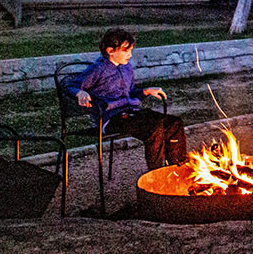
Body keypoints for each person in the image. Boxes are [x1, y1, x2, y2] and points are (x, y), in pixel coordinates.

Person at [63, 28, 187, 170]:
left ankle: (177, 168)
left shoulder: (126, 68)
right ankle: (156, 174)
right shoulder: (98, 69)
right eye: (126, 51)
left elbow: (131, 93)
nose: (130, 55)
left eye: (131, 50)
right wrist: (79, 92)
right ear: (111, 51)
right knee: (154, 128)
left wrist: (145, 91)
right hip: (112, 118)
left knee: (174, 123)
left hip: (132, 113)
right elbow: (69, 84)